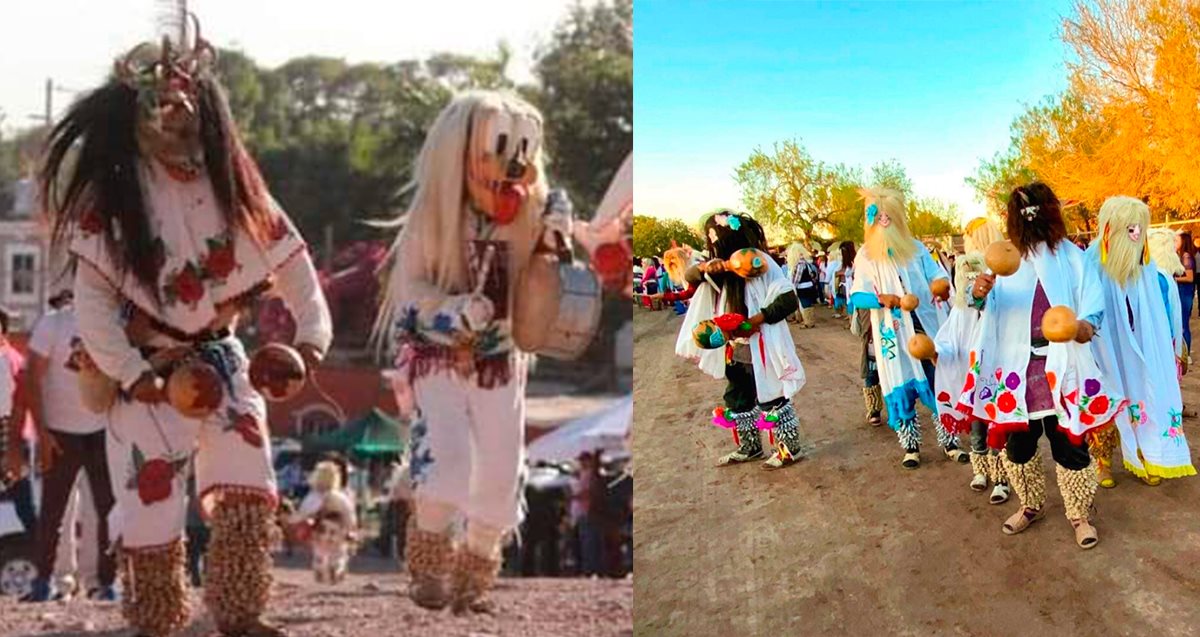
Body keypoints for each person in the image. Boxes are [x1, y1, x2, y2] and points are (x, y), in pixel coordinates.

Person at [41, 18, 332, 635]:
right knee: (149, 506)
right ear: (135, 114)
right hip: (146, 372)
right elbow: (93, 303)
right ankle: (154, 618)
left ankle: (239, 611)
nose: (174, 114)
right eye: (161, 102)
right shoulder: (112, 200)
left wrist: (310, 340)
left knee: (251, 488)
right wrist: (132, 373)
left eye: (185, 102)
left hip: (222, 360)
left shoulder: (236, 188)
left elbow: (294, 265)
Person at [379, 91, 567, 613]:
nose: (512, 165)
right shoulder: (430, 221)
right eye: (497, 149)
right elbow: (408, 298)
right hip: (438, 358)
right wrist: (449, 310)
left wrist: (555, 244)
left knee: (502, 474)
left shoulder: (527, 218)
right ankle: (428, 564)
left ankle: (475, 576)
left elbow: (547, 290)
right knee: (448, 463)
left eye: (522, 152)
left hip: (501, 361)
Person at [958, 182, 1122, 549]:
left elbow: (1094, 305)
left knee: (1070, 445)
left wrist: (1084, 327)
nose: (1030, 219)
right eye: (1023, 214)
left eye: (1036, 212)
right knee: (1018, 446)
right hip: (1018, 372)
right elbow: (983, 311)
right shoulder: (1005, 258)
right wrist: (979, 293)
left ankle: (1080, 513)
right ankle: (1031, 505)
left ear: (1049, 214)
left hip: (1063, 366)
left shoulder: (1072, 258)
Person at [676, 209, 807, 469]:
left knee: (772, 397)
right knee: (737, 398)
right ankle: (750, 447)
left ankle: (788, 448)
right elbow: (689, 278)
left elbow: (788, 299)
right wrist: (706, 267)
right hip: (734, 350)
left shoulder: (763, 265)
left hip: (762, 344)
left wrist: (755, 321)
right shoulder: (717, 271)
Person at [1085, 197, 1195, 488]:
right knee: (1107, 399)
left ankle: (1148, 454)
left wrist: (1169, 346)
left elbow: (1158, 310)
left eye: (1139, 228)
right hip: (1104, 345)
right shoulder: (1093, 260)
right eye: (1129, 228)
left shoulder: (1145, 262)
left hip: (1140, 345)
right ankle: (1103, 461)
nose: (1136, 234)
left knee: (1144, 396)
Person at [19, 292, 118, 603]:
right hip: (60, 432)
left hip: (102, 430)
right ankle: (45, 580)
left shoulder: (110, 320)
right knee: (53, 511)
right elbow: (32, 378)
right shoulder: (52, 324)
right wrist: (43, 431)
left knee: (107, 509)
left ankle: (105, 582)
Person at [849, 187, 958, 468]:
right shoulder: (865, 256)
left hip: (927, 327)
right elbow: (857, 295)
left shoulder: (917, 248)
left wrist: (942, 287)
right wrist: (884, 299)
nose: (884, 224)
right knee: (901, 383)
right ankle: (910, 446)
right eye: (879, 218)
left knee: (939, 382)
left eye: (889, 218)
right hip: (893, 333)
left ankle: (950, 440)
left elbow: (939, 276)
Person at [288, 461, 358, 584]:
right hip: (338, 528)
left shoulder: (314, 496)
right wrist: (351, 528)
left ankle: (319, 566)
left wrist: (294, 520)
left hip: (320, 528)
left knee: (319, 551)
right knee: (338, 552)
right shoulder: (340, 496)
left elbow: (304, 512)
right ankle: (336, 567)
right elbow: (349, 514)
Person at [787, 243, 819, 328]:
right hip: (809, 286)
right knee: (807, 304)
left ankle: (808, 322)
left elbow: (796, 279)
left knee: (805, 305)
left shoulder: (799, 264)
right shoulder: (806, 262)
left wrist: (792, 287)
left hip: (802, 287)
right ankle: (808, 321)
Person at [1175, 230, 1195, 361]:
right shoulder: (1183, 256)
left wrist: (1174, 279)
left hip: (1184, 293)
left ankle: (1185, 354)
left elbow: (1190, 278)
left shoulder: (1185, 257)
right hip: (1185, 292)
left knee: (1183, 324)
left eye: (1177, 240)